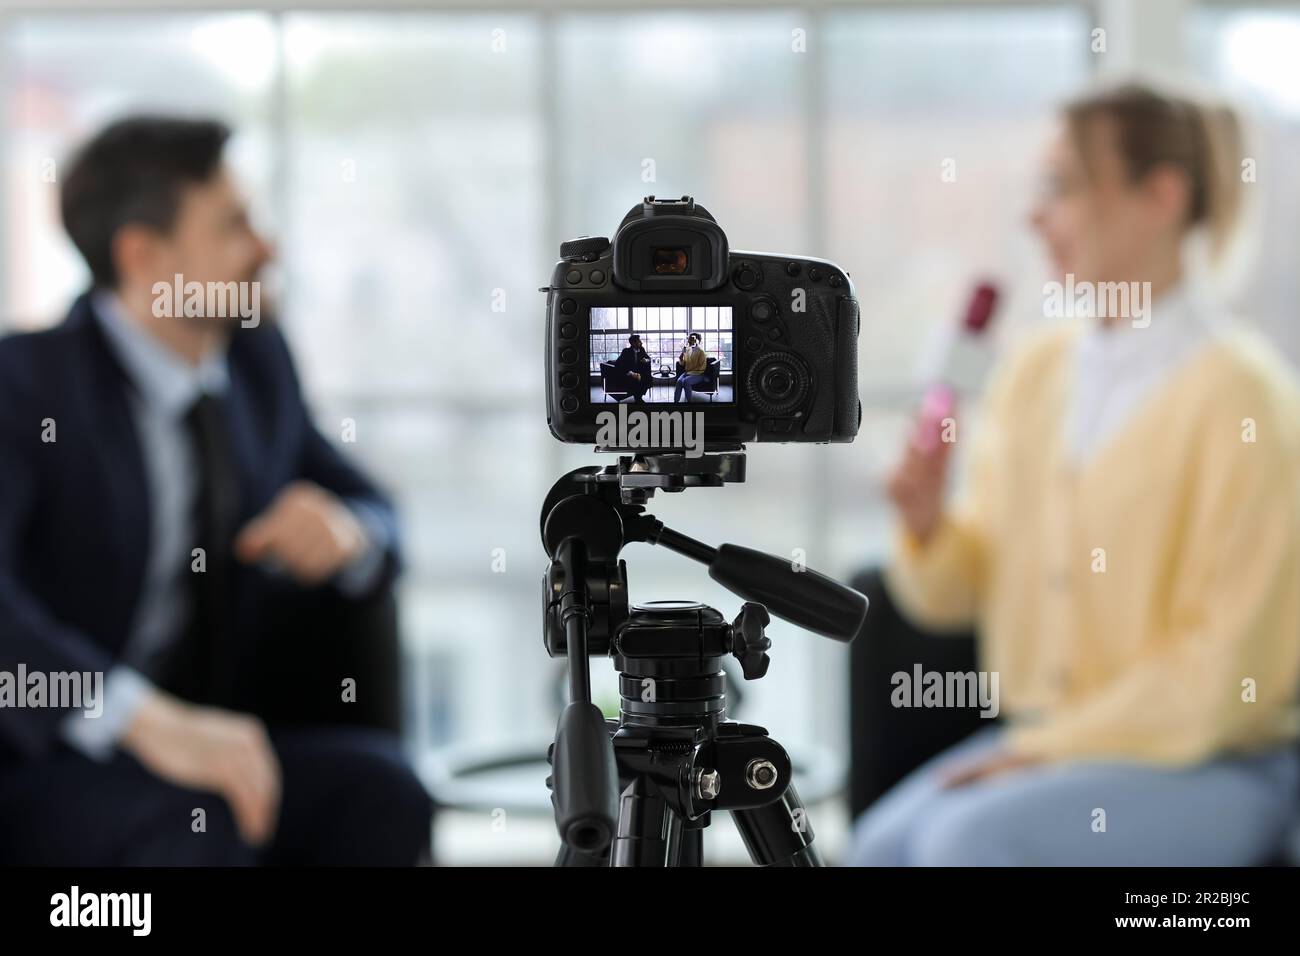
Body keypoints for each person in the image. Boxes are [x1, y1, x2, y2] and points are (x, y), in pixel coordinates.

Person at [849, 83, 1300, 866]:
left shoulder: (1247, 399)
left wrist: (1049, 747)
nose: (1034, 216)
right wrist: (927, 524)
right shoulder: (1036, 369)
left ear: (1161, 196)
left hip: (1211, 761)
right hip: (1047, 747)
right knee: (877, 848)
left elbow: (1229, 674)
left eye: (1061, 186)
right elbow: (960, 592)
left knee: (966, 845)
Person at [0, 116, 433, 865]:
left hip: (216, 742)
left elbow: (377, 510)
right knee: (199, 823)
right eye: (235, 225)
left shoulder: (258, 368)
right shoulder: (25, 387)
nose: (268, 248)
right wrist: (143, 720)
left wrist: (349, 532)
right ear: (143, 255)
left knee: (384, 792)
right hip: (45, 759)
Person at [612, 333, 652, 402]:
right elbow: (619, 364)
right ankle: (638, 399)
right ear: (633, 343)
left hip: (638, 372)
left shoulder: (641, 349)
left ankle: (639, 396)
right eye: (639, 341)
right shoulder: (626, 351)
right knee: (636, 380)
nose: (641, 343)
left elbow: (649, 358)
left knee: (648, 378)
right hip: (628, 373)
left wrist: (646, 360)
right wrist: (632, 373)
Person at [674, 333, 710, 402]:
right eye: (689, 339)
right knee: (679, 381)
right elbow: (683, 364)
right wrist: (681, 358)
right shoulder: (688, 350)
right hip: (687, 373)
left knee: (686, 381)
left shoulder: (701, 352)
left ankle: (689, 403)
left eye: (691, 339)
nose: (689, 341)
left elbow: (702, 367)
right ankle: (675, 403)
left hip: (699, 374)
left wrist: (690, 373)